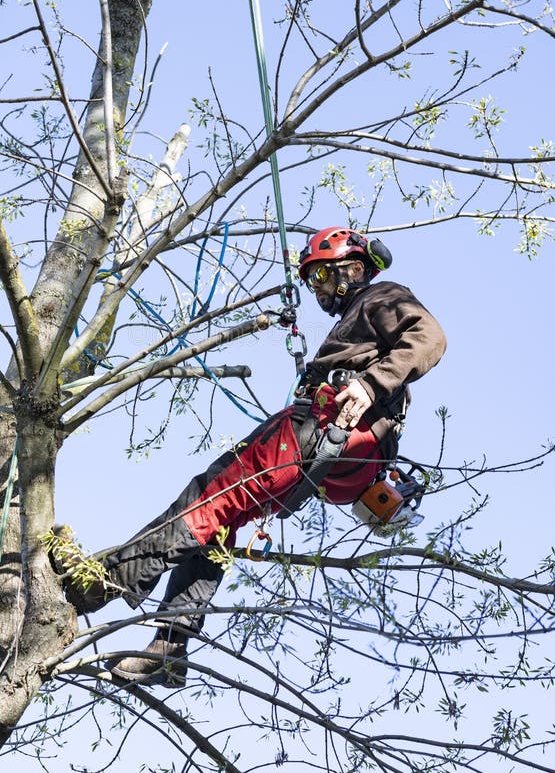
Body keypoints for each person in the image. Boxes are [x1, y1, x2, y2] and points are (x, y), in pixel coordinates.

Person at [51, 226, 446, 687]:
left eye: (322, 276)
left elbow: (429, 335)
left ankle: (100, 584)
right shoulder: (356, 319)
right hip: (339, 456)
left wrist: (368, 383)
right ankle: (170, 645)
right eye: (311, 280)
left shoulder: (382, 296)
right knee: (223, 520)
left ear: (353, 267)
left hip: (323, 431)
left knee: (209, 497)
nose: (317, 289)